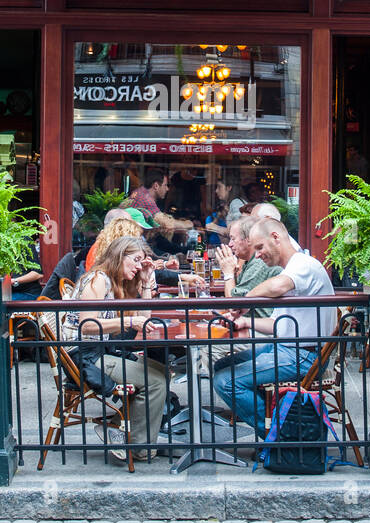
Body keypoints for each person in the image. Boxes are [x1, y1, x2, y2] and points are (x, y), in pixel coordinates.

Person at [211, 218, 338, 437]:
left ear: (276, 238)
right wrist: (245, 321)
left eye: (259, 247)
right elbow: (277, 325)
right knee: (223, 365)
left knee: (226, 381)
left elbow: (277, 285)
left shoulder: (303, 265)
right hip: (289, 349)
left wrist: (245, 303)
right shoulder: (291, 269)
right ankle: (283, 419)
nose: (257, 254)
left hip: (304, 356)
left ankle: (281, 436)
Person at [64, 236, 169, 462]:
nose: (140, 265)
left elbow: (144, 318)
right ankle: (140, 447)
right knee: (156, 381)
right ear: (120, 256)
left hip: (100, 351)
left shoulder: (115, 282)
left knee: (161, 371)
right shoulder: (99, 278)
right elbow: (88, 325)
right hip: (84, 356)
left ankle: (117, 429)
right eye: (136, 260)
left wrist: (146, 282)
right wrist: (129, 323)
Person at [213, 216, 280, 310]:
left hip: (257, 323)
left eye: (233, 239)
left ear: (248, 239)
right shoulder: (250, 261)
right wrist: (233, 273)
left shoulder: (259, 263)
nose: (230, 244)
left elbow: (234, 306)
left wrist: (228, 274)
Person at [123, 168, 192, 233]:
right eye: (165, 185)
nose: (167, 189)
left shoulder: (140, 191)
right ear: (156, 186)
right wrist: (187, 224)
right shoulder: (146, 199)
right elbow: (165, 223)